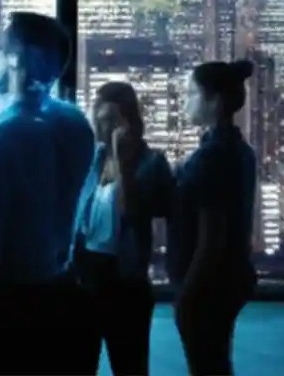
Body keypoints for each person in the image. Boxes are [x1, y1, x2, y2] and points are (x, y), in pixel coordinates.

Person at [0, 12, 98, 376]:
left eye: (0, 49)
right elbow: (33, 170)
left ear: (16, 58)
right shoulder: (76, 126)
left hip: (5, 315)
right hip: (62, 305)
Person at [68, 81, 175, 375]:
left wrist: (123, 161)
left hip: (124, 279)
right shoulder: (93, 160)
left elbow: (135, 210)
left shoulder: (151, 164)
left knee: (129, 364)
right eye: (98, 120)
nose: (102, 128)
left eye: (109, 121)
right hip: (86, 274)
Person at [169, 60, 258, 375]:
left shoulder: (211, 158)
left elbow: (211, 236)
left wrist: (187, 294)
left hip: (209, 284)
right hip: (231, 277)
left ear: (214, 101)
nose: (186, 101)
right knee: (217, 361)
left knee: (206, 364)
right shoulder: (240, 151)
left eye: (192, 93)